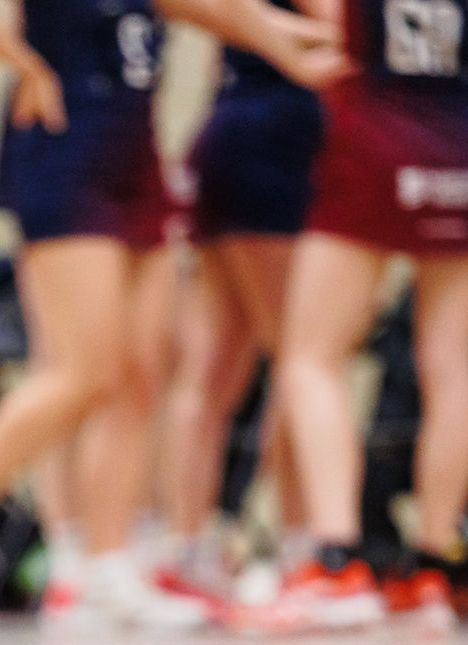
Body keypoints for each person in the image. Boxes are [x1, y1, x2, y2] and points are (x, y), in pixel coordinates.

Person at [0, 0, 348, 633]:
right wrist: (22, 62)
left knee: (141, 379)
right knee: (82, 371)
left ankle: (110, 567)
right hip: (64, 142)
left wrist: (293, 41)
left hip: (134, 153)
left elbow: (223, 11)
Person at [267, 0, 468, 632]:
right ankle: (431, 568)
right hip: (464, 144)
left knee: (309, 359)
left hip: (376, 139)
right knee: (451, 365)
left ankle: (338, 560)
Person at [158, 0, 332, 614]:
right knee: (302, 357)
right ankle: (302, 550)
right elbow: (345, 27)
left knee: (215, 369)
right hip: (276, 139)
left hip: (228, 132)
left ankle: (187, 552)